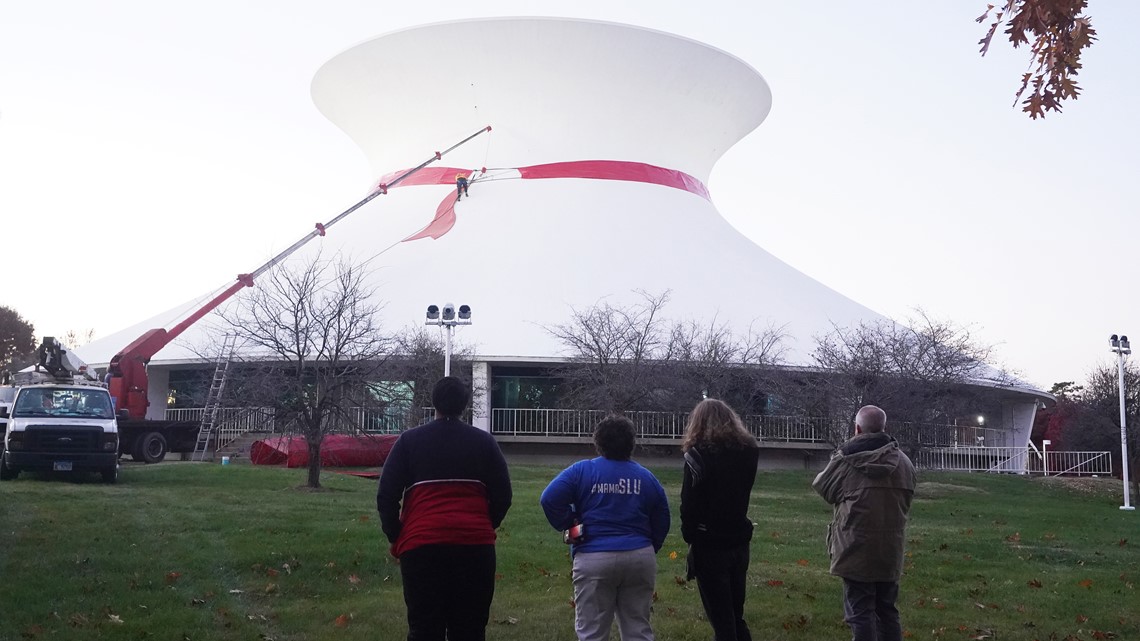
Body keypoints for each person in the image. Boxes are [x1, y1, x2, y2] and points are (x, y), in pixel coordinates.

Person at [377, 376, 513, 641]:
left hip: (422, 547)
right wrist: (486, 524)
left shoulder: (408, 441)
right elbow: (503, 495)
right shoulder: (484, 443)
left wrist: (396, 535)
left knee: (424, 629)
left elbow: (386, 495)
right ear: (465, 404)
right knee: (470, 630)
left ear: (434, 403)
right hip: (475, 547)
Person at [540, 415, 670, 641]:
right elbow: (662, 518)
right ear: (631, 443)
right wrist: (650, 546)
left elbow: (549, 499)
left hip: (594, 556)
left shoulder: (582, 471)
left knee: (592, 631)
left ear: (598, 442)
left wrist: (570, 523)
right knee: (638, 628)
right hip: (639, 556)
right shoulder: (646, 477)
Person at [812, 405, 917, 641]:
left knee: (860, 613)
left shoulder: (846, 461)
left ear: (857, 429)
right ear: (884, 428)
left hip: (854, 547)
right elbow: (908, 497)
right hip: (890, 549)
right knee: (887, 611)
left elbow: (823, 488)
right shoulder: (904, 463)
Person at [680, 398, 760, 641]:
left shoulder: (697, 456)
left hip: (710, 542)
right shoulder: (749, 452)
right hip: (739, 539)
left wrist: (690, 534)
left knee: (721, 619)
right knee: (736, 614)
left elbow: (689, 502)